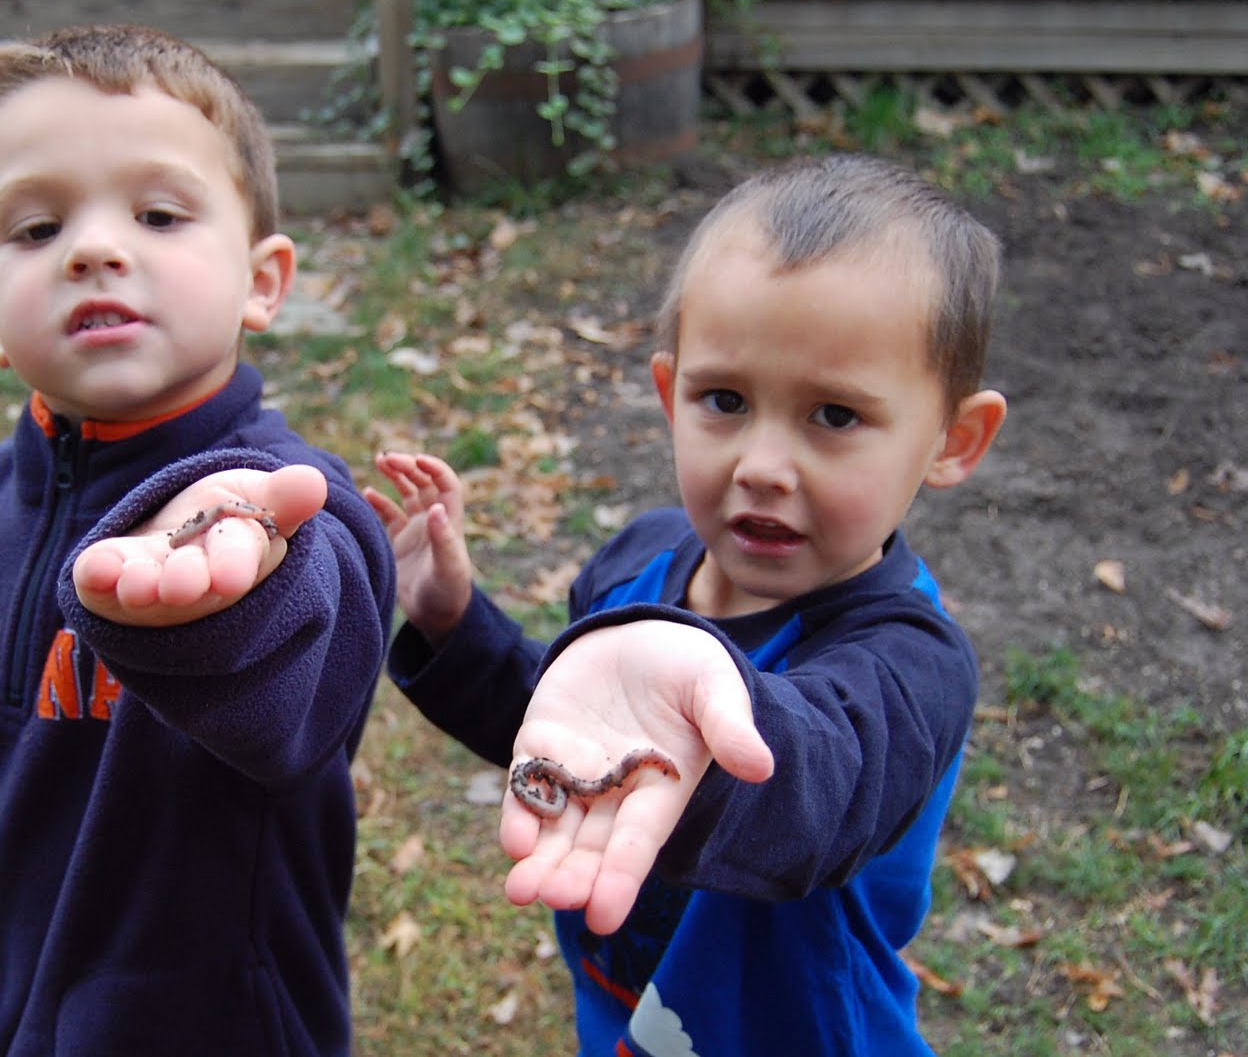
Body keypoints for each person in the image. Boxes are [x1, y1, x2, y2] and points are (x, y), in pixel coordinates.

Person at [365, 153, 1008, 1056]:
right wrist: (452, 622)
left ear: (953, 438)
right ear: (670, 396)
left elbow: (819, 798)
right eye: (725, 400)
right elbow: (569, 740)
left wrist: (695, 698)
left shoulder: (912, 661)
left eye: (833, 416)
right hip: (627, 1015)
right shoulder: (636, 565)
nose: (762, 466)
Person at [0, 25, 394, 1057]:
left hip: (214, 1022)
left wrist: (248, 578)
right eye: (36, 226)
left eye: (157, 213)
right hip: (11, 1002)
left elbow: (310, 666)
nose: (94, 248)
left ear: (262, 280)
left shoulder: (293, 503)